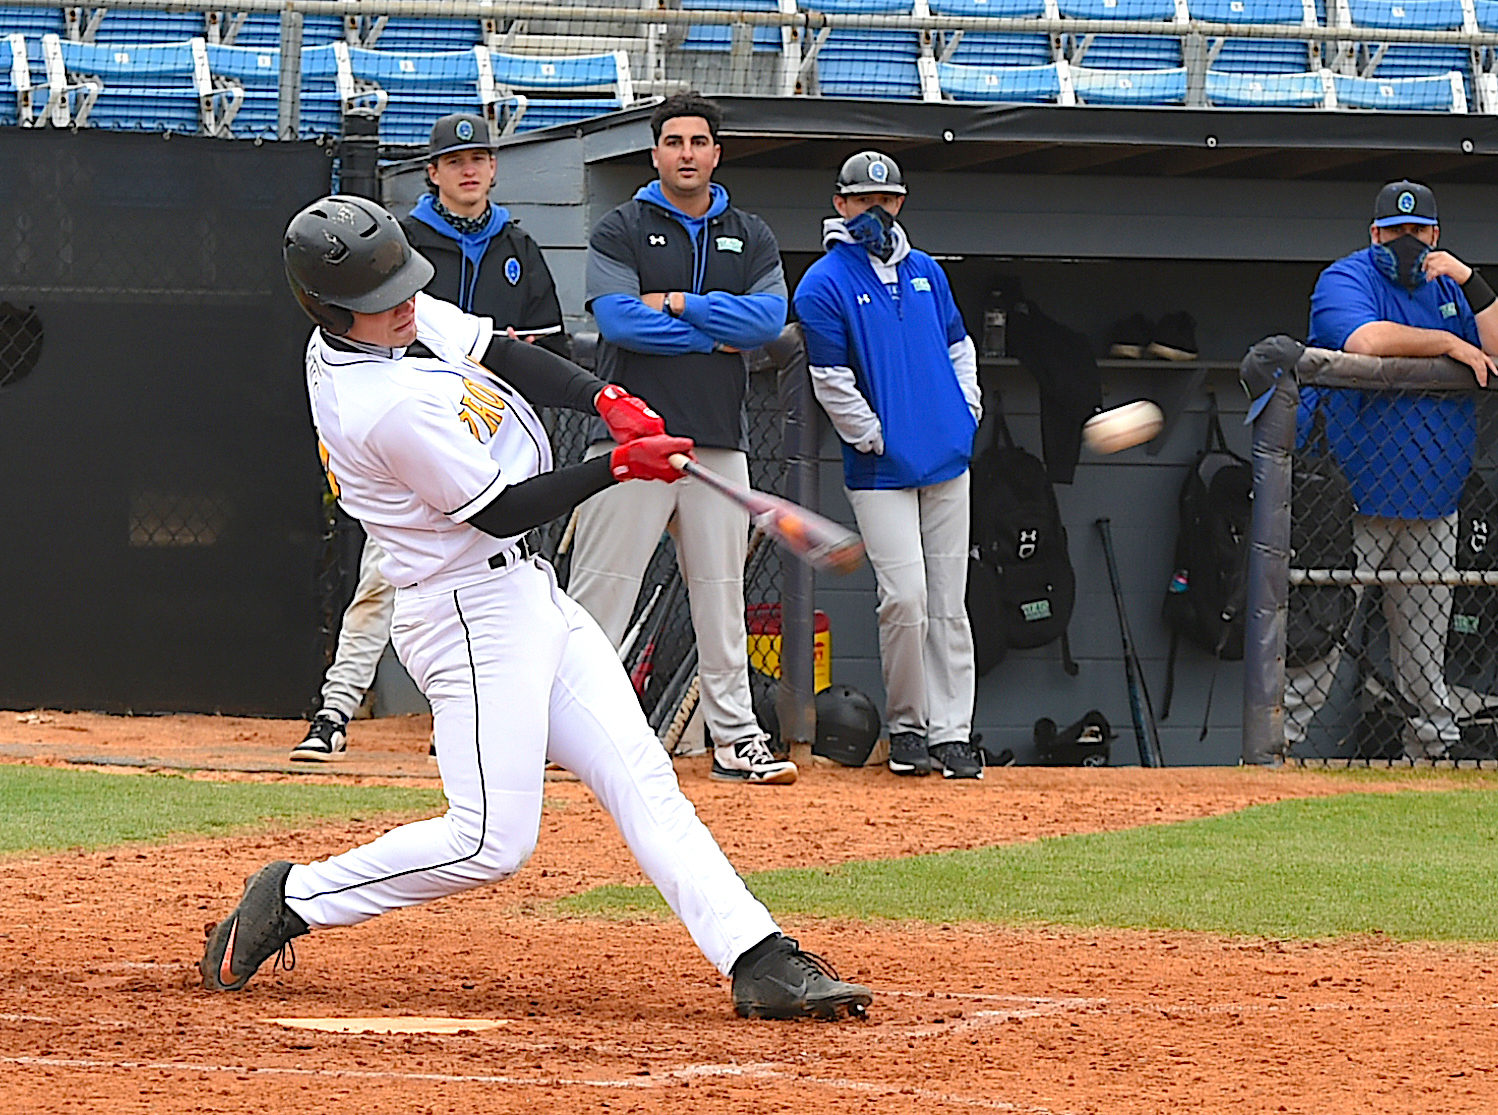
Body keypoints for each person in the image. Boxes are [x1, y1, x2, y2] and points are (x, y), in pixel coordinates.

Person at [201, 194, 872, 1024]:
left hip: (526, 592)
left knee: (641, 776)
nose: (407, 303)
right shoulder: (378, 405)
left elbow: (499, 351)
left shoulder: (384, 321)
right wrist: (617, 467)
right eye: (384, 298)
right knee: (490, 839)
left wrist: (604, 399)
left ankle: (757, 955)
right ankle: (295, 894)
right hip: (467, 614)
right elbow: (500, 509)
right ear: (333, 311)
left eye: (404, 284)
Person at [292, 113, 569, 762]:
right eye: (455, 160)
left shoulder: (517, 245)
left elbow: (541, 341)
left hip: (486, 431)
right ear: (433, 172)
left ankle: (476, 727)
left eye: (479, 158)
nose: (469, 170)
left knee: (504, 584)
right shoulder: (404, 240)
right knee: (383, 578)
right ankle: (336, 710)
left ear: (494, 168)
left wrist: (508, 353)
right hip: (416, 434)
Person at [565, 91, 796, 786]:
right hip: (631, 440)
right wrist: (713, 336)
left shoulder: (750, 233)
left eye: (698, 142)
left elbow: (767, 323)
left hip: (717, 440)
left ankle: (737, 740)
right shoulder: (621, 227)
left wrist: (678, 304)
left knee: (722, 601)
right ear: (655, 151)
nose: (686, 154)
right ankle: (567, 734)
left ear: (715, 153)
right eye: (674, 142)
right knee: (599, 597)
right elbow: (619, 321)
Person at [1281, 179, 1498, 759]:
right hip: (1349, 496)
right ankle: (1274, 752)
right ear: (1374, 234)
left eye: (1418, 230)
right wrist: (1447, 345)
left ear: (1435, 235)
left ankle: (1431, 759)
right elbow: (1364, 340)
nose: (1407, 240)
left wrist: (1471, 281)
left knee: (1424, 655)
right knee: (1318, 636)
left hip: (1435, 499)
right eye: (1395, 230)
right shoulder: (1345, 278)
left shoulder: (1451, 288)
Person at [793, 151, 983, 780]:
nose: (876, 209)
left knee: (949, 603)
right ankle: (909, 726)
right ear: (841, 203)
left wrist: (965, 412)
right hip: (881, 468)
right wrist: (874, 437)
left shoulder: (927, 270)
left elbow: (959, 347)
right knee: (904, 598)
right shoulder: (823, 282)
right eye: (863, 199)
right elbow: (830, 377)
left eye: (887, 199)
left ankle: (953, 732)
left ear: (900, 202)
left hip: (947, 457)